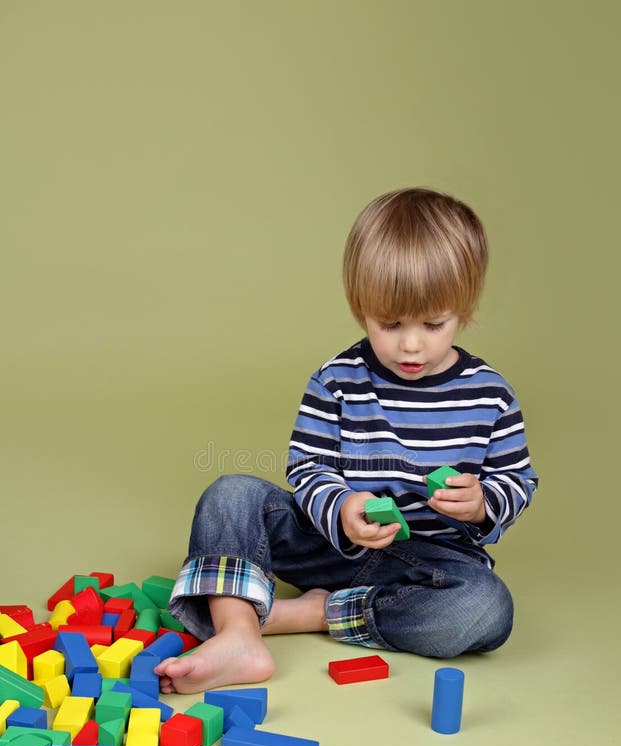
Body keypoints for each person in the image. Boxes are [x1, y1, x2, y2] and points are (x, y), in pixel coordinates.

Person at [155, 187, 538, 694]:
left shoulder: (490, 393)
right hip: (330, 546)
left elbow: (517, 480)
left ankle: (310, 612)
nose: (411, 343)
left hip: (429, 565)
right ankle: (237, 635)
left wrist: (481, 503)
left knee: (485, 609)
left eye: (433, 323)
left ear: (464, 309)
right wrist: (341, 506)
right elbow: (308, 467)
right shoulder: (337, 380)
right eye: (390, 323)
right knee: (231, 495)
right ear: (361, 309)